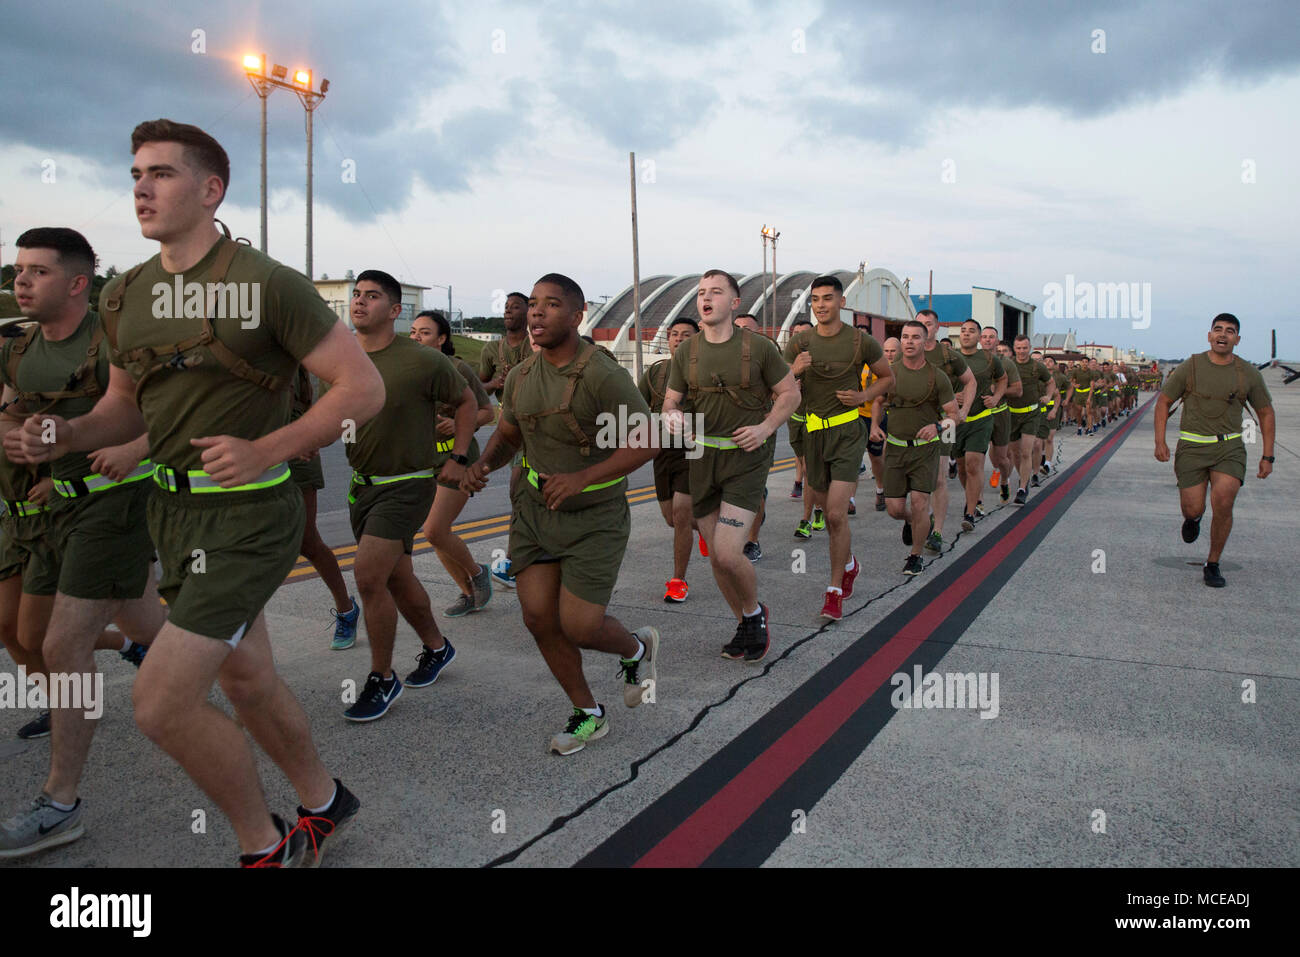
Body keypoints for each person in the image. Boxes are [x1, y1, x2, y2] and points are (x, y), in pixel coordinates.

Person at [18, 119, 384, 867]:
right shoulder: (127, 296)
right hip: (172, 513)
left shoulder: (264, 284)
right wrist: (69, 435)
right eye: (135, 175)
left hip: (251, 516)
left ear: (211, 189)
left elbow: (363, 386)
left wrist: (267, 448)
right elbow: (127, 406)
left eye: (161, 173)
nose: (142, 189)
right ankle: (325, 802)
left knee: (159, 704)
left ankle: (264, 847)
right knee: (247, 675)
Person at [0, 227, 165, 859]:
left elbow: (169, 411)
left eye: (37, 271)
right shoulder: (19, 350)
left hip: (115, 505)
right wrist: (14, 437)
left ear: (76, 283)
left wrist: (129, 447)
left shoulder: (112, 342)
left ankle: (60, 802)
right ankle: (215, 652)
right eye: (18, 269)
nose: (21, 280)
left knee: (63, 645)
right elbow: (12, 413)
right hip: (54, 511)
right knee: (36, 633)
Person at [463, 273, 660, 755]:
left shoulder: (601, 374)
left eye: (550, 305)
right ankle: (588, 713)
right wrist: (482, 465)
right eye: (532, 303)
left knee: (580, 625)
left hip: (594, 516)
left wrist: (583, 478)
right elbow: (509, 433)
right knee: (538, 619)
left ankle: (636, 649)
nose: (535, 313)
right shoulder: (522, 377)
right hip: (534, 512)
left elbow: (649, 439)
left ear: (575, 317)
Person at [337, 273, 477, 722]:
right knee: (397, 579)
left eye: (372, 296)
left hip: (408, 484)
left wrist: (458, 455)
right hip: (362, 485)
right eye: (356, 295)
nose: (360, 302)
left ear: (395, 311)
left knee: (368, 577)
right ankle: (437, 646)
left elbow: (469, 402)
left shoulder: (421, 361)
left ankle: (382, 678)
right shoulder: (340, 356)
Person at [661, 271, 799, 660]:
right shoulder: (685, 353)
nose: (706, 298)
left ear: (734, 303)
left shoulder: (759, 348)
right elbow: (670, 402)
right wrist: (671, 416)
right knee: (717, 561)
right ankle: (744, 623)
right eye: (702, 293)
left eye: (716, 292)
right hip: (702, 458)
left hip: (746, 459)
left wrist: (767, 427)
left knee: (725, 552)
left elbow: (791, 393)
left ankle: (754, 614)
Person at [783, 276, 891, 620]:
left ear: (842, 302)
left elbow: (887, 378)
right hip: (813, 434)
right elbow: (778, 387)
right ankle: (849, 563)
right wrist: (792, 371)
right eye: (815, 299)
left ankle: (833, 592)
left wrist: (863, 397)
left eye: (828, 298)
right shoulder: (799, 342)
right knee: (828, 518)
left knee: (834, 513)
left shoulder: (861, 341)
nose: (820, 305)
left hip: (847, 433)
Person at [1154, 313, 1274, 588]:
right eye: (1217, 329)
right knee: (1193, 506)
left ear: (1238, 339)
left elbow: (1266, 413)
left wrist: (1268, 456)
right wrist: (1160, 441)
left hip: (1228, 447)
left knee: (1224, 500)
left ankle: (1213, 563)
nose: (1223, 335)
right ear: (1209, 336)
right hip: (1192, 447)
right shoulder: (1190, 367)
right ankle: (1193, 518)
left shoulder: (1248, 374)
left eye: (1229, 331)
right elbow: (1163, 402)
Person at [410, 311, 495, 617]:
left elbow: (487, 412)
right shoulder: (407, 370)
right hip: (422, 462)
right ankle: (468, 593)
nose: (416, 337)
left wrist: (459, 423)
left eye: (425, 332)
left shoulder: (457, 368)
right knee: (436, 533)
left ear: (442, 338)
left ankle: (477, 573)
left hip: (457, 460)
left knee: (434, 530)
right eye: (413, 332)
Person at [874, 320, 960, 576]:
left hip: (925, 450)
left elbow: (954, 414)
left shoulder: (937, 376)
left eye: (915, 337)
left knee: (920, 501)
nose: (909, 341)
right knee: (895, 509)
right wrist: (874, 427)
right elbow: (878, 401)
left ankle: (916, 555)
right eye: (905, 337)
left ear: (925, 342)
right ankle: (914, 521)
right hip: (896, 449)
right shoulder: (890, 373)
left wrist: (937, 426)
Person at [287, 364, 360, 650]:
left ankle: (346, 609)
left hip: (296, 453)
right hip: (251, 452)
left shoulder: (290, 355)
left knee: (307, 541)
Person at [638, 316, 699, 602]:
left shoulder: (706, 372)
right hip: (661, 451)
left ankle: (678, 580)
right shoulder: (655, 373)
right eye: (674, 334)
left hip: (694, 450)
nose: (678, 339)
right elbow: (635, 408)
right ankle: (711, 531)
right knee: (671, 518)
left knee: (681, 513)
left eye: (686, 335)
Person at [915, 310, 975, 552]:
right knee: (917, 480)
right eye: (920, 324)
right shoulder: (905, 353)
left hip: (944, 424)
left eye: (928, 324)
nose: (924, 328)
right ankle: (924, 517)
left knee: (939, 477)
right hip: (914, 424)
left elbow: (971, 381)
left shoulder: (948, 355)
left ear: (937, 328)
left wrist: (964, 410)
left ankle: (937, 532)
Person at [482, 292, 531, 589]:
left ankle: (516, 558)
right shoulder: (492, 350)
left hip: (536, 422)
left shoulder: (536, 346)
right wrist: (495, 383)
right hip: (509, 424)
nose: (509, 312)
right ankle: (516, 559)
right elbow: (478, 390)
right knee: (518, 491)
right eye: (506, 307)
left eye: (516, 307)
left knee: (523, 488)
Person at [954, 319, 1008, 530]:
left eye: (972, 331)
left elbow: (1002, 380)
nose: (966, 334)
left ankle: (971, 510)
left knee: (973, 463)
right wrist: (951, 395)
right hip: (957, 420)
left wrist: (996, 398)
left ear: (979, 337)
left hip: (981, 418)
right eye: (963, 331)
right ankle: (972, 497)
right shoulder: (951, 358)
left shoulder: (988, 359)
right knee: (960, 466)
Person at [733, 313, 771, 561]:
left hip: (759, 435)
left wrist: (766, 424)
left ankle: (752, 541)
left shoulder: (767, 358)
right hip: (724, 436)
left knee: (755, 491)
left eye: (747, 329)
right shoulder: (719, 358)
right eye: (737, 328)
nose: (742, 332)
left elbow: (784, 394)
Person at [1008, 336, 1057, 503]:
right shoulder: (1008, 365)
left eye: (1024, 348)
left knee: (1026, 451)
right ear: (1014, 348)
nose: (1021, 351)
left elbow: (1050, 383)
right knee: (1015, 452)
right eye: (1018, 348)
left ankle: (1022, 487)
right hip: (1011, 413)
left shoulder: (1037, 367)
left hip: (1031, 413)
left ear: (1029, 348)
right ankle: (1024, 475)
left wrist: (1048, 396)